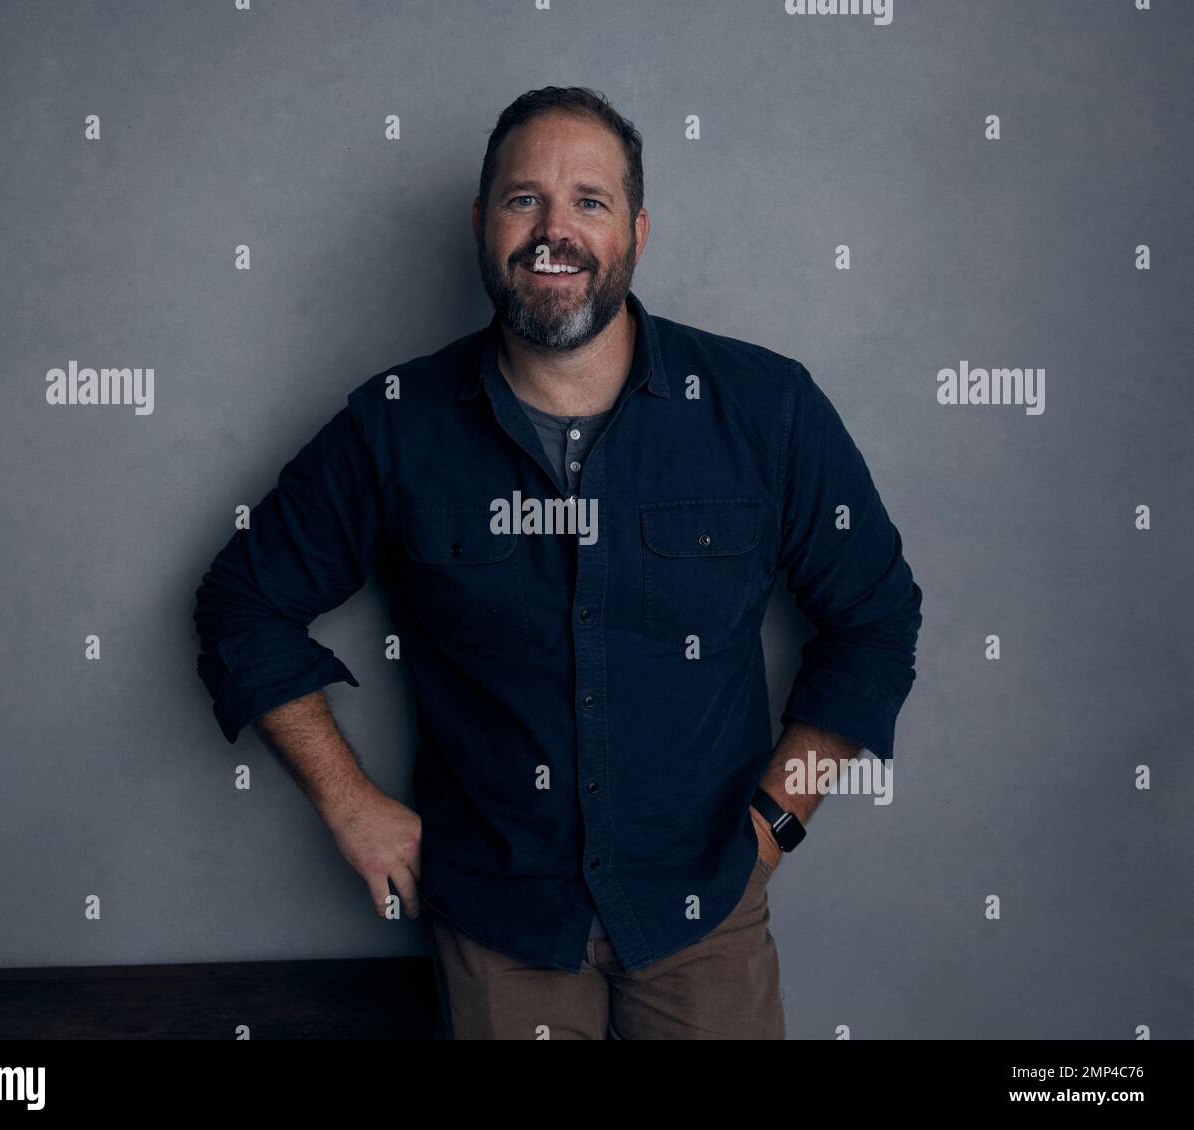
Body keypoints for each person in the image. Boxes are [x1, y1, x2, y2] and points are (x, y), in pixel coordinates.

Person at [192, 86, 923, 1040]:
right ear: (481, 225)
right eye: (522, 198)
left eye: (590, 200)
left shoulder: (764, 408)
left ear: (637, 231)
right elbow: (241, 602)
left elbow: (877, 617)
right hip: (500, 925)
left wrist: (780, 821)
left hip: (704, 914)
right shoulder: (396, 424)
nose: (553, 231)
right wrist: (348, 801)